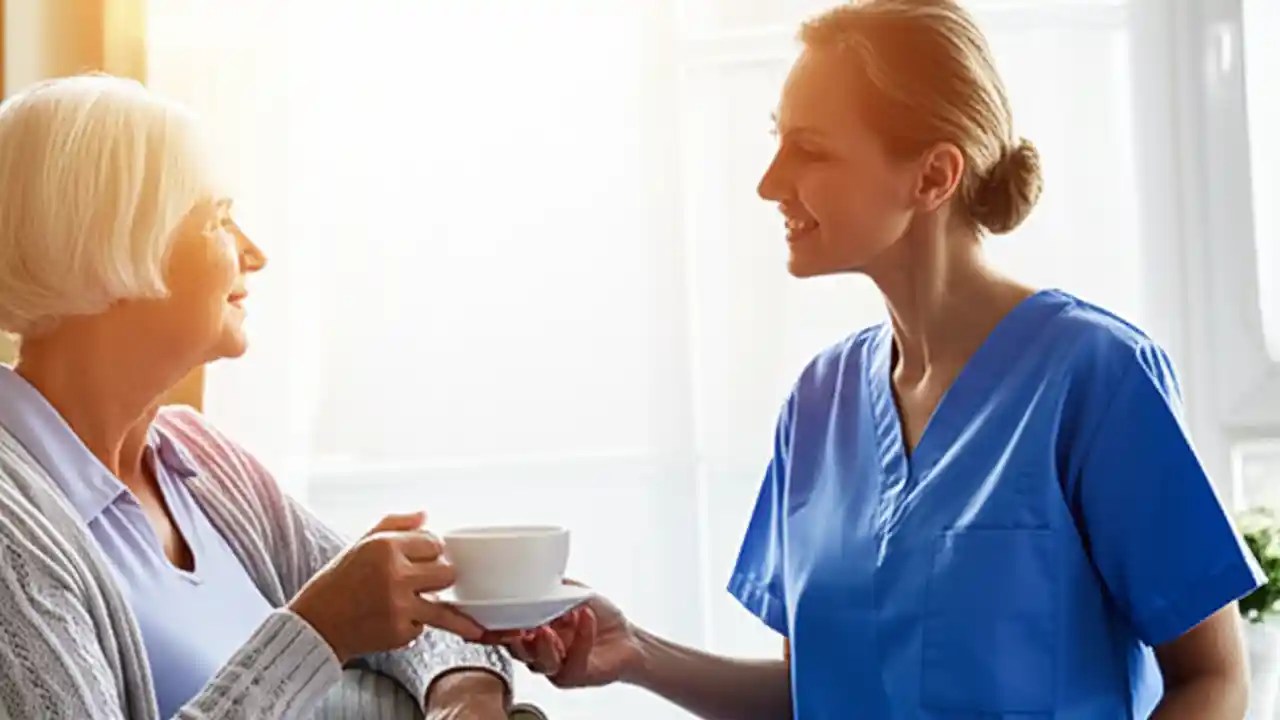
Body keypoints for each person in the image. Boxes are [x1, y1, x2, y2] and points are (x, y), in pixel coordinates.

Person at [498, 1, 1264, 717]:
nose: (769, 183)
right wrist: (636, 654)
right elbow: (814, 692)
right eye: (778, 142)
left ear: (933, 175)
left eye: (810, 150)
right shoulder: (819, 403)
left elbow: (1213, 677)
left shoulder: (1094, 376)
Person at [0, 74, 515, 719]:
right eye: (218, 220)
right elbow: (334, 617)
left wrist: (464, 693)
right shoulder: (12, 527)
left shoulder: (201, 460)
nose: (256, 253)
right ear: (114, 242)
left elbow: (410, 613)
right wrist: (315, 636)